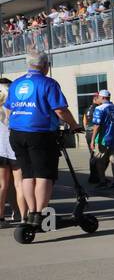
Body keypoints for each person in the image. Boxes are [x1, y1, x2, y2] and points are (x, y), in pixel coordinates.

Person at [3, 50, 82, 225]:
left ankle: (32, 212)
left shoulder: (16, 83)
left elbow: (8, 108)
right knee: (43, 175)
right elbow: (60, 110)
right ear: (45, 65)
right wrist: (75, 125)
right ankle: (40, 213)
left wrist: (13, 121)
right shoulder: (48, 83)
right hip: (40, 133)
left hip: (17, 133)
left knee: (28, 174)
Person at [0, 77, 29, 226]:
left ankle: (0, 218)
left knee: (2, 184)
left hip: (0, 147)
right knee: (20, 184)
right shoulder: (16, 99)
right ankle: (23, 216)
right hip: (15, 146)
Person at [91, 89, 114, 189]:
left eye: (99, 97)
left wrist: (92, 140)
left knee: (99, 160)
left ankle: (102, 181)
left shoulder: (99, 109)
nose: (98, 99)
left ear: (103, 97)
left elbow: (97, 126)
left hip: (103, 139)